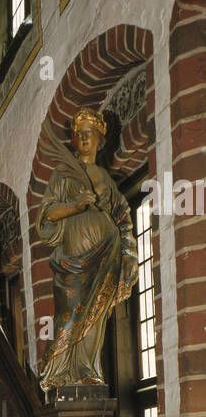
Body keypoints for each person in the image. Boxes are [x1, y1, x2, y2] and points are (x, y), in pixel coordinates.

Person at [36, 108, 138, 392]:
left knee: (96, 317)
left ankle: (85, 370)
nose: (84, 139)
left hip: (107, 254)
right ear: (73, 140)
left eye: (89, 133)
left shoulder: (105, 177)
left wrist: (129, 255)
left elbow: (123, 218)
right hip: (73, 261)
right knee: (69, 315)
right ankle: (55, 372)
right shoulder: (63, 174)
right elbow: (47, 215)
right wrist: (76, 205)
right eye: (79, 134)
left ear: (99, 139)